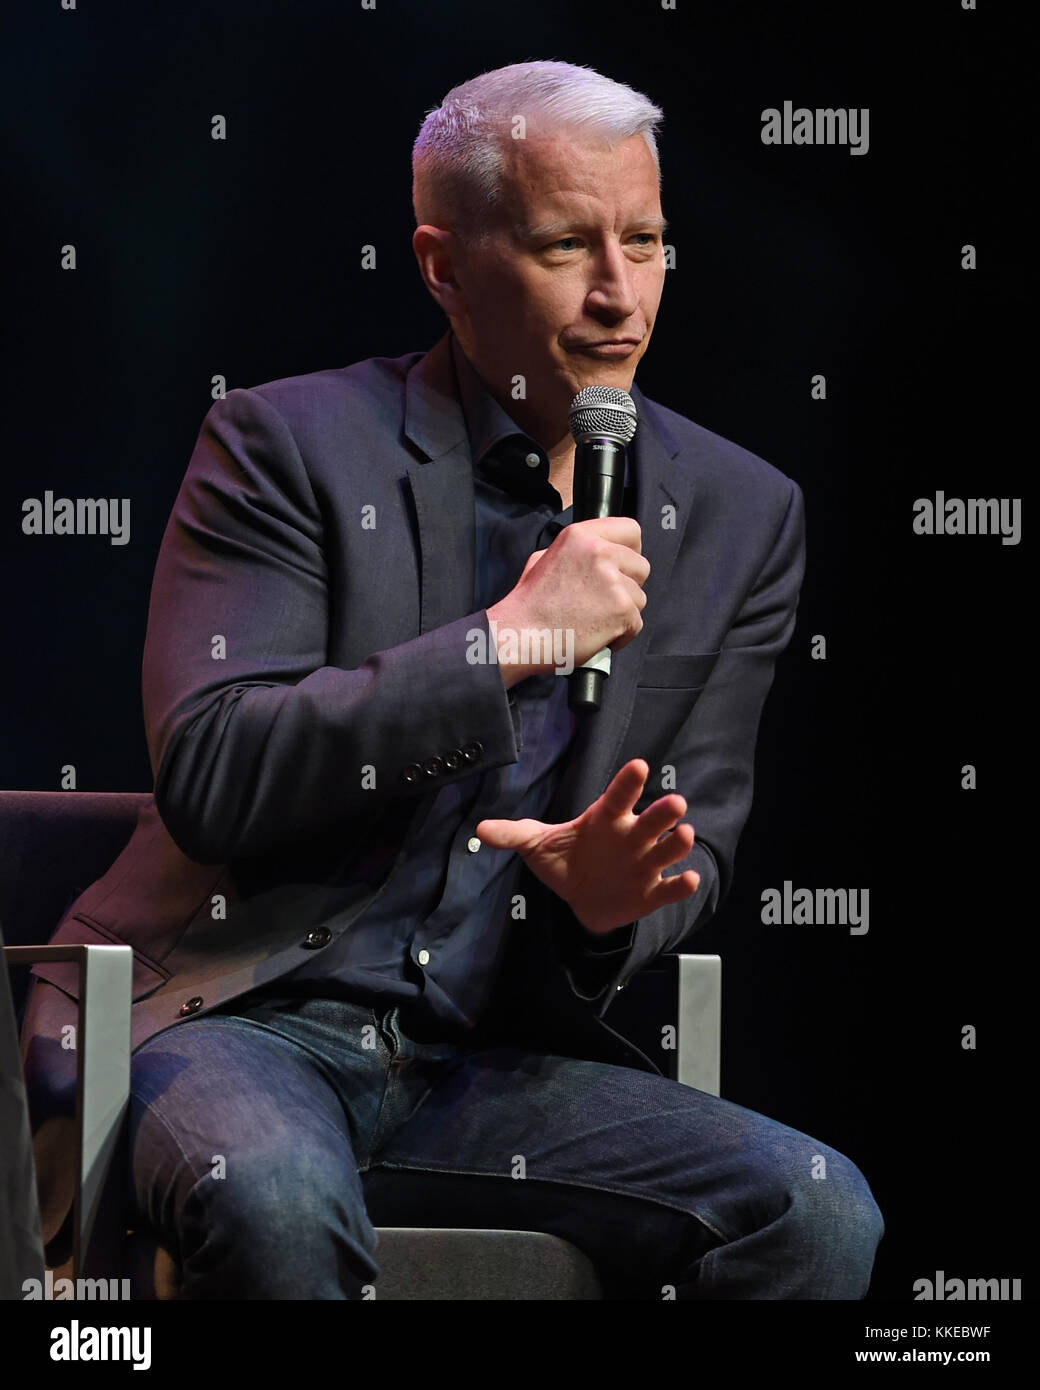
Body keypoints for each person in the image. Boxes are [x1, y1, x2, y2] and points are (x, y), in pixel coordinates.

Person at [20, 59, 883, 1299]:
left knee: (812, 1213)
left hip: (484, 1062)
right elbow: (212, 770)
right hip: (230, 1018)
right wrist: (508, 641)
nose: (615, 295)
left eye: (643, 241)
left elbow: (699, 841)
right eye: (560, 246)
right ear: (443, 266)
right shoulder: (285, 447)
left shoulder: (742, 513)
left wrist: (608, 901)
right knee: (272, 1199)